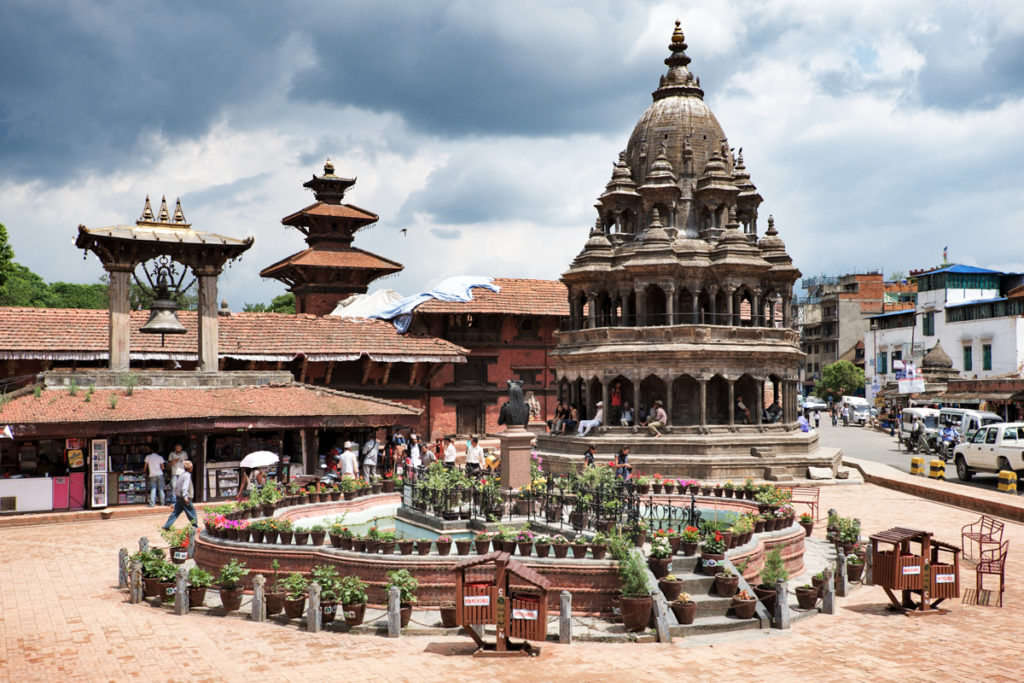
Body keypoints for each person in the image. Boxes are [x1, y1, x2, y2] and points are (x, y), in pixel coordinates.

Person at [162, 460, 197, 530]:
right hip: (184, 497)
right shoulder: (187, 475)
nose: (192, 468)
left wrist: (175, 495)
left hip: (179, 497)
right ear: (189, 468)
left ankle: (166, 526)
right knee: (191, 511)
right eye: (191, 467)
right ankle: (195, 525)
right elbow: (185, 487)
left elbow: (176, 486)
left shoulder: (182, 475)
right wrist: (185, 497)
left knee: (176, 512)